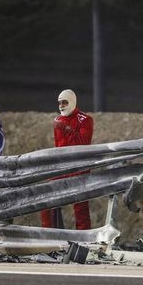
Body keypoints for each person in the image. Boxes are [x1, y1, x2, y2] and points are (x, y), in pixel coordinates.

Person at [40, 89, 93, 230]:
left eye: (64, 102)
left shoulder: (85, 119)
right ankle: (50, 234)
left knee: (80, 206)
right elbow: (58, 146)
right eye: (59, 103)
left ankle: (83, 238)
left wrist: (67, 128)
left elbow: (84, 143)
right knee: (47, 196)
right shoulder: (58, 120)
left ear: (72, 101)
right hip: (61, 166)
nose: (61, 106)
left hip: (79, 167)